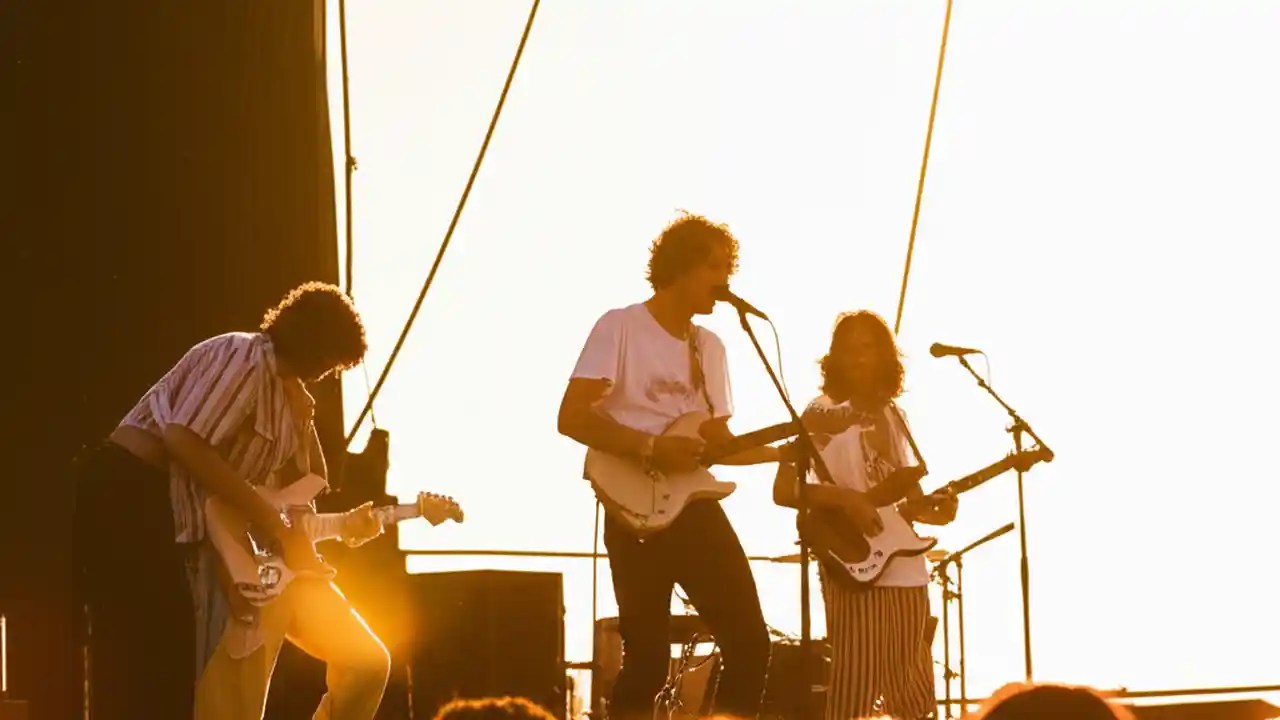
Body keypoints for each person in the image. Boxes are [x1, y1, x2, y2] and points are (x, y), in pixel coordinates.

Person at [73, 281, 380, 719]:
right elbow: (183, 439)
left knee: (174, 659)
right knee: (142, 656)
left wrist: (304, 417)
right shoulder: (245, 357)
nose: (328, 372)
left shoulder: (286, 394)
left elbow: (312, 481)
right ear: (313, 340)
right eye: (329, 359)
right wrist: (266, 523)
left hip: (179, 505)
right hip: (131, 489)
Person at [557, 212, 779, 720]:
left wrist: (784, 450)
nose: (725, 281)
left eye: (728, 269)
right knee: (648, 661)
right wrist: (652, 449)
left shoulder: (710, 347)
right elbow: (571, 417)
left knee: (750, 641)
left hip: (692, 504)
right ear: (680, 266)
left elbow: (716, 443)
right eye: (715, 267)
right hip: (630, 505)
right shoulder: (620, 326)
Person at [774, 310, 958, 720]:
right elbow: (784, 489)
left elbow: (909, 501)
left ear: (885, 356)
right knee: (854, 689)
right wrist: (846, 500)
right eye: (849, 348)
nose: (859, 357)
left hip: (906, 567)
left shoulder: (895, 416)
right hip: (852, 559)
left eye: (868, 347)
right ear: (834, 357)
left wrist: (937, 511)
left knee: (913, 696)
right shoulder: (821, 412)